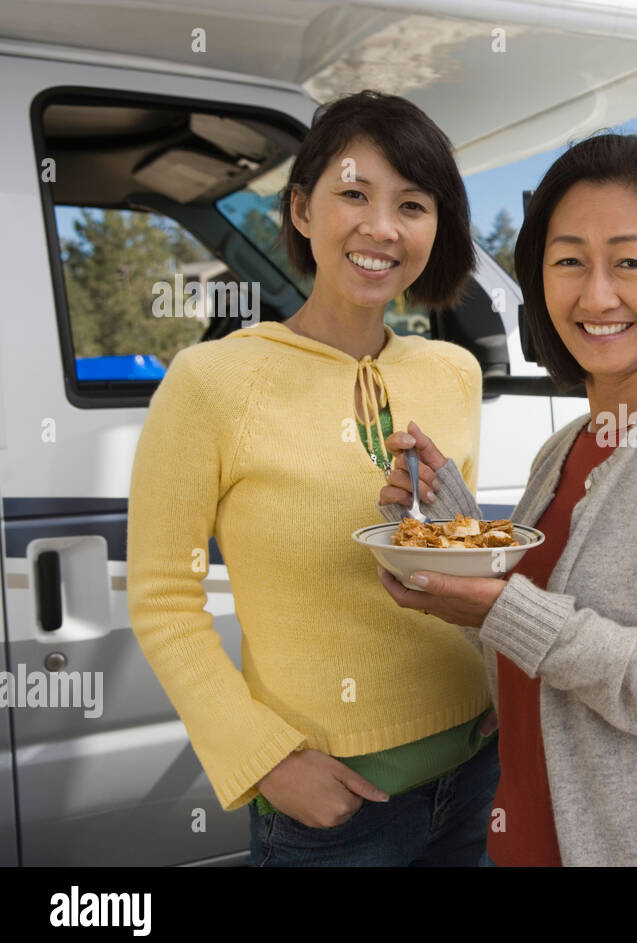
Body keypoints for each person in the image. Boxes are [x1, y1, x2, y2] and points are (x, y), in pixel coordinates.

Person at [376, 132, 637, 866]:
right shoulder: (563, 450)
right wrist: (448, 525)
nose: (596, 294)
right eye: (569, 261)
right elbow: (526, 650)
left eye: (630, 263)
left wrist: (511, 612)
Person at [126, 91, 498, 866]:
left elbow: (455, 567)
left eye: (413, 204)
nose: (382, 228)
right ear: (301, 210)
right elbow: (162, 599)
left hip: (478, 777)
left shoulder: (455, 372)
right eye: (354, 194)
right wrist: (267, 761)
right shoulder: (210, 382)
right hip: (332, 813)